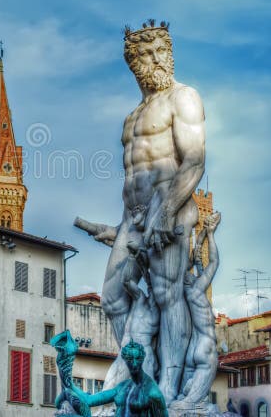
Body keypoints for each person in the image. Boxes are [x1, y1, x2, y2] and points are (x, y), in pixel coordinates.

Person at [77, 21, 205, 403]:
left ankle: (167, 387)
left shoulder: (183, 97)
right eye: (146, 54)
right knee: (112, 297)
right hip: (131, 217)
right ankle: (140, 367)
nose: (155, 59)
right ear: (134, 63)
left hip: (170, 206)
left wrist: (167, 211)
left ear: (170, 53)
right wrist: (116, 228)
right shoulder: (132, 117)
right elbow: (135, 175)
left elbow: (195, 160)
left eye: (160, 51)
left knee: (168, 295)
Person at [179, 212, 220, 403]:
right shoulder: (196, 289)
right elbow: (214, 262)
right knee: (191, 404)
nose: (193, 274)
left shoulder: (188, 294)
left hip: (191, 350)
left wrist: (201, 236)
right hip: (205, 344)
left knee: (182, 397)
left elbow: (199, 263)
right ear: (189, 279)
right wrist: (210, 234)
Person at [85, 340, 168, 417]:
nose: (134, 364)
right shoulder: (122, 387)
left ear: (142, 359)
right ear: (125, 360)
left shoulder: (153, 392)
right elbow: (89, 400)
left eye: (138, 359)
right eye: (130, 359)